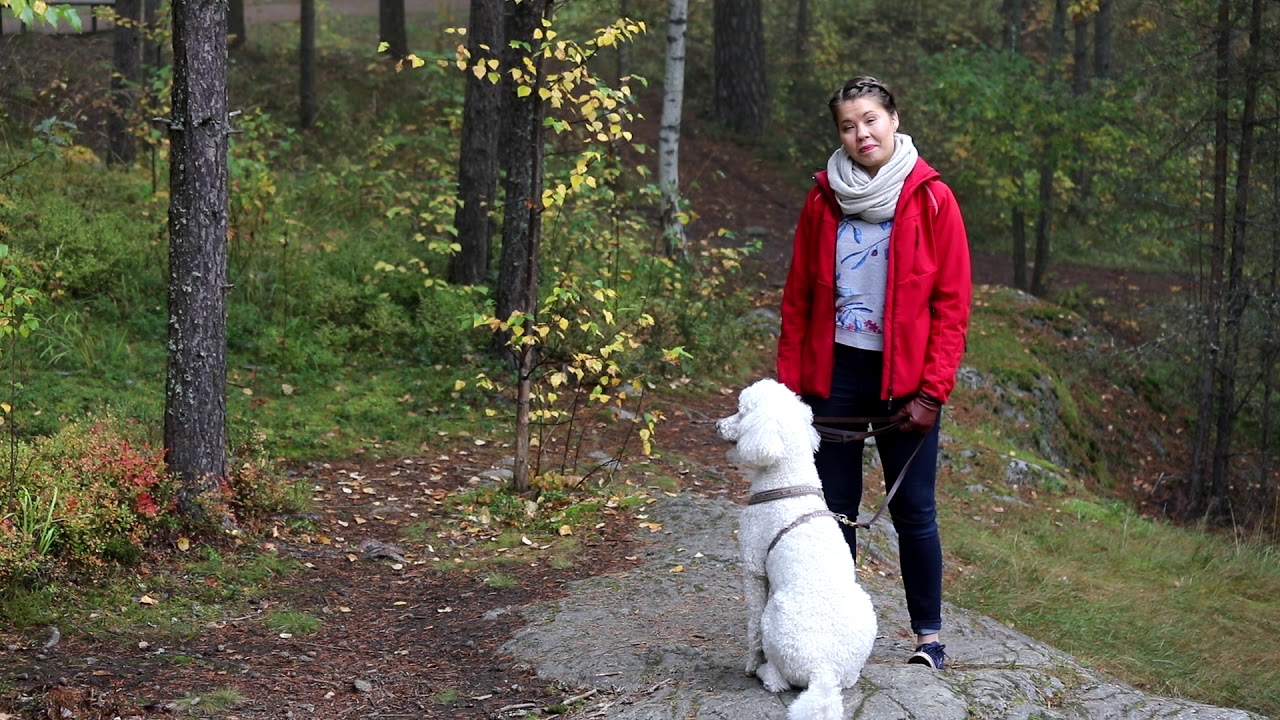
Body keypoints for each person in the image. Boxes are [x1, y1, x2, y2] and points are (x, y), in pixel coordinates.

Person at [776, 76, 972, 671]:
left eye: (870, 120)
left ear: (893, 119)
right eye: (847, 125)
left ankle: (928, 638)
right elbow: (797, 299)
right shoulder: (822, 199)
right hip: (833, 373)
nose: (860, 133)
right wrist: (789, 390)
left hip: (905, 379)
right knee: (833, 508)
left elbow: (952, 303)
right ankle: (838, 637)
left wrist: (933, 392)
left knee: (913, 508)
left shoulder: (932, 197)